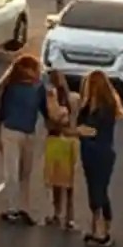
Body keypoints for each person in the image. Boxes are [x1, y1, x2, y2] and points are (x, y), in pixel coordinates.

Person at [0, 54, 48, 225]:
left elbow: (44, 109)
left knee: (25, 172)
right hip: (12, 132)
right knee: (13, 172)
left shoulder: (37, 87)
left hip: (26, 133)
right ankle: (13, 208)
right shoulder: (10, 87)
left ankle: (22, 208)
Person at [77, 70, 123, 247]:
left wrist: (80, 130)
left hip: (101, 154)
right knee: (93, 191)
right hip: (89, 153)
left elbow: (90, 130)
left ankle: (105, 231)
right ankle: (96, 226)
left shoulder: (106, 108)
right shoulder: (88, 106)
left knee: (100, 192)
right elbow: (80, 125)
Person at [42, 69, 81, 230]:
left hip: (56, 139)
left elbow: (52, 120)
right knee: (69, 182)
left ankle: (57, 213)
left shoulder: (51, 99)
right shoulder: (75, 98)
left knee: (56, 182)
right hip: (72, 141)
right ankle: (70, 217)